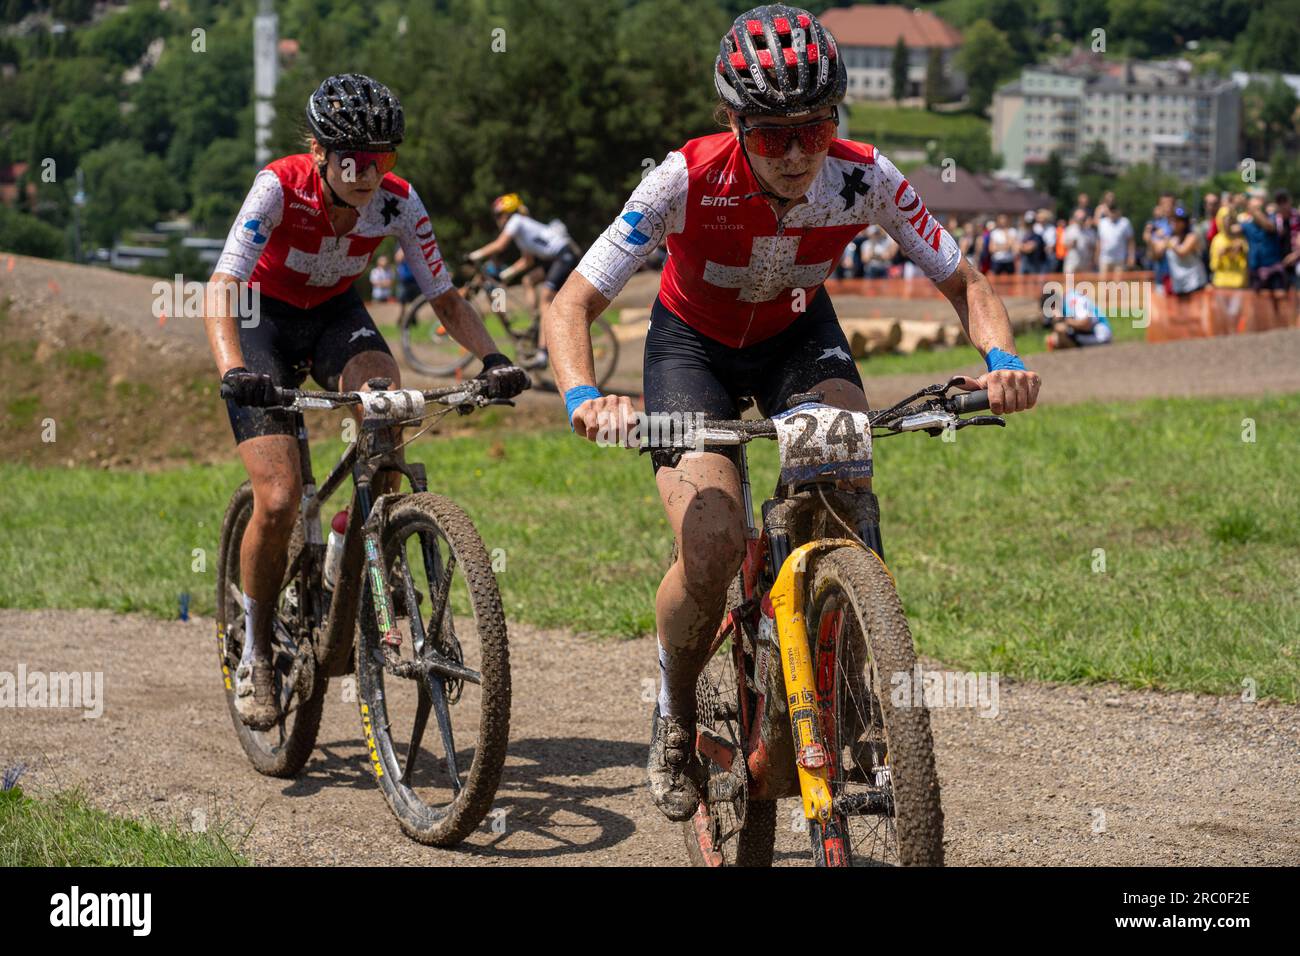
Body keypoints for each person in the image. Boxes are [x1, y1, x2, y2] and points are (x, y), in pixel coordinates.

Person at [542, 4, 1040, 822]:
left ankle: (854, 679)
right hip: (691, 346)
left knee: (845, 466)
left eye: (816, 127)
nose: (799, 153)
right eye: (773, 136)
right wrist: (584, 397)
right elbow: (571, 305)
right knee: (708, 547)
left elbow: (967, 284)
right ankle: (672, 709)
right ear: (733, 122)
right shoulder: (684, 178)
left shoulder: (864, 175)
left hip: (798, 335)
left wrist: (1004, 362)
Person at [205, 73, 528, 730]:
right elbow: (222, 285)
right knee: (277, 498)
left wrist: (493, 359)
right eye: (350, 158)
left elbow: (444, 298)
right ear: (319, 153)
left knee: (387, 409)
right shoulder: (277, 187)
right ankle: (258, 651)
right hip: (260, 319)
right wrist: (235, 368)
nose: (366, 172)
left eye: (381, 159)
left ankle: (353, 547)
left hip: (333, 317)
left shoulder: (399, 203)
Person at [466, 194, 581, 369]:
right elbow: (526, 261)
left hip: (564, 255)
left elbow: (500, 245)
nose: (498, 219)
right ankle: (536, 321)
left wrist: (474, 255)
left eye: (499, 215)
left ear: (508, 213)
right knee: (528, 280)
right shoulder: (522, 232)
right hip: (555, 259)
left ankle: (543, 353)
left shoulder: (517, 220)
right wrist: (504, 275)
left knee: (546, 299)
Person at [1151, 207, 1206, 295]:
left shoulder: (1191, 237)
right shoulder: (1171, 239)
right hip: (1179, 285)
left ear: (1184, 223)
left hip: (1194, 283)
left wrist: (1166, 238)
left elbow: (1182, 252)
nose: (1174, 224)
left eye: (1178, 221)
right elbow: (1156, 254)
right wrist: (1150, 239)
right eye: (1173, 221)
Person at [1044, 288, 1112, 349]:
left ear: (1053, 306)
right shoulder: (1067, 301)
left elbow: (1086, 323)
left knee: (1060, 332)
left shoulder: (1071, 301)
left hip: (1099, 334)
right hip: (1092, 332)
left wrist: (1066, 323)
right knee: (1054, 337)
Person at [1209, 212, 1248, 289]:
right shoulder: (1217, 240)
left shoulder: (1241, 239)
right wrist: (1219, 256)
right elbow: (1213, 266)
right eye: (1225, 220)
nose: (1227, 223)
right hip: (1221, 284)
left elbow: (1247, 263)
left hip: (1239, 283)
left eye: (1230, 220)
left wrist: (1242, 251)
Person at [1096, 203, 1135, 274]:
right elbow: (1099, 241)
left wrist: (1131, 256)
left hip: (1119, 259)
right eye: (1111, 211)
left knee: (1118, 284)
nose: (1112, 213)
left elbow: (1130, 241)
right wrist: (1096, 256)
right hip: (1104, 258)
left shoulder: (1125, 222)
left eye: (1114, 211)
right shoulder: (1102, 223)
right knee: (1102, 284)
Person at [1063, 208, 1097, 274]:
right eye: (1079, 218)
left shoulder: (1090, 232)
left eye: (1083, 218)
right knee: (1070, 283)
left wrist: (1092, 261)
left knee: (1084, 284)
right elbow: (1064, 245)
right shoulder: (1069, 230)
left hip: (1085, 264)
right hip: (1071, 263)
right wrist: (1072, 244)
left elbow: (1093, 248)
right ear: (1075, 218)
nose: (1081, 220)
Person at [1017, 210, 1047, 274]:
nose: (1029, 225)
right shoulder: (1022, 232)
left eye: (1031, 222)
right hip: (1024, 262)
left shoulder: (1038, 231)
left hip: (1035, 263)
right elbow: (1017, 247)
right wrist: (1023, 246)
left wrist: (1023, 246)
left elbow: (1030, 248)